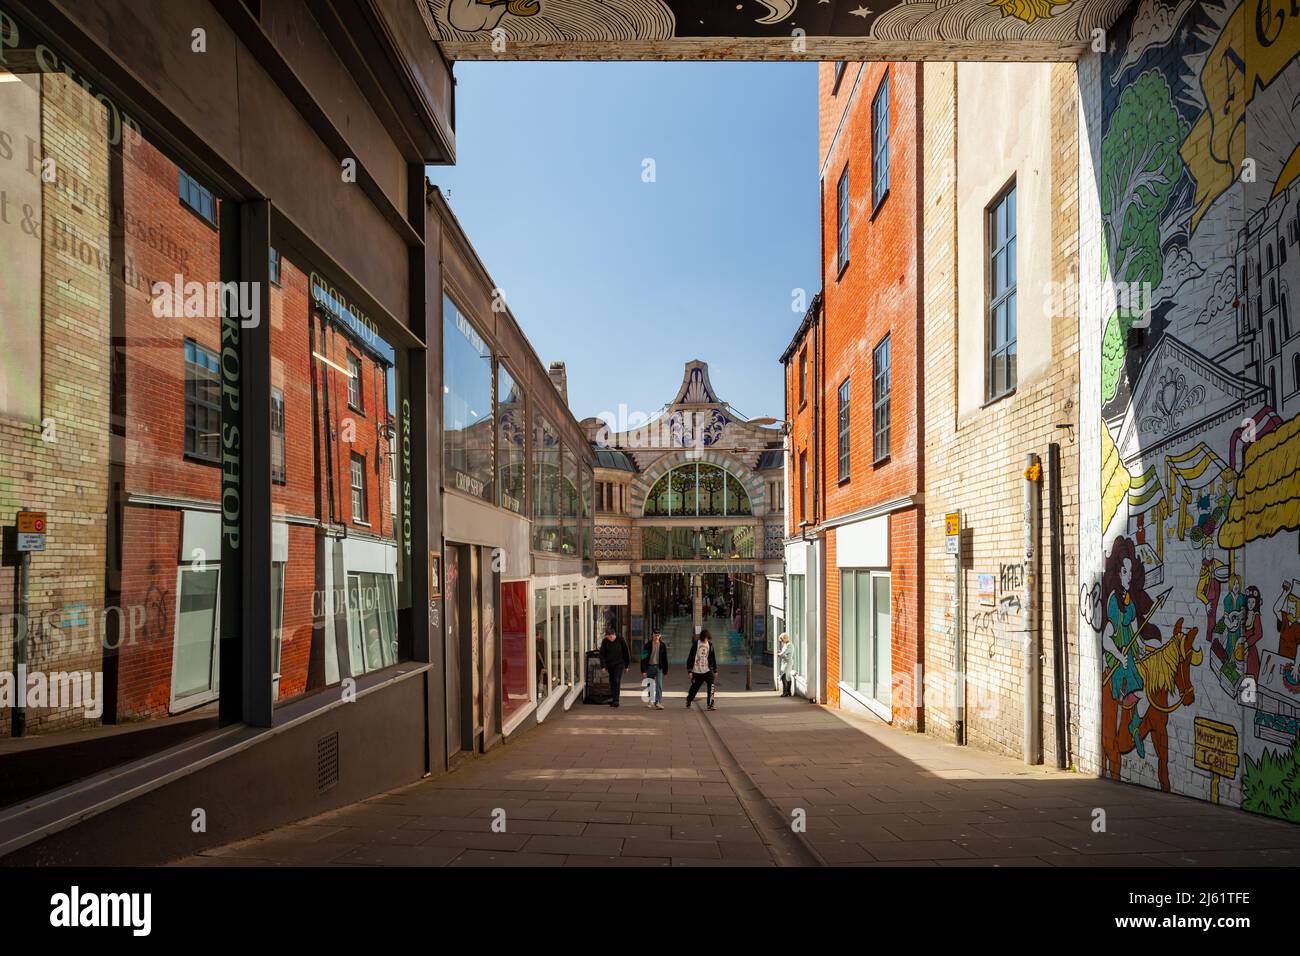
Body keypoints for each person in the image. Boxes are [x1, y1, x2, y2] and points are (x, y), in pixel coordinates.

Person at [685, 628, 718, 711]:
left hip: (707, 670)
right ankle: (689, 700)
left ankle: (710, 704)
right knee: (694, 689)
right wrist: (689, 671)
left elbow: (713, 658)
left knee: (711, 686)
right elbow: (690, 658)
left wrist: (715, 670)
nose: (705, 640)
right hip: (696, 671)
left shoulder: (710, 645)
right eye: (704, 638)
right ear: (702, 637)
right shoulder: (696, 644)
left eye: (707, 638)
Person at [599, 626, 631, 708]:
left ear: (614, 635)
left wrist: (626, 665)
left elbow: (626, 653)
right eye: (607, 636)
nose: (609, 638)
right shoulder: (605, 641)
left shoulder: (621, 640)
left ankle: (616, 701)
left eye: (610, 636)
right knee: (612, 681)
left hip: (619, 664)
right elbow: (602, 654)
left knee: (616, 680)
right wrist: (603, 666)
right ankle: (613, 699)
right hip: (610, 665)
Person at [640, 629, 669, 710]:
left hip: (659, 667)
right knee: (650, 684)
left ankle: (658, 702)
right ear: (652, 635)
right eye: (655, 635)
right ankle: (651, 700)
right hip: (650, 667)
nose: (657, 637)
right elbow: (643, 658)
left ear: (660, 636)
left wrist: (666, 670)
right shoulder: (648, 645)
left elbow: (665, 659)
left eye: (658, 635)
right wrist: (643, 670)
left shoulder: (662, 645)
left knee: (659, 685)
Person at [777, 632, 794, 697]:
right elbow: (783, 653)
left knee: (784, 676)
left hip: (787, 662)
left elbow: (784, 653)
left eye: (781, 640)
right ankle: (788, 691)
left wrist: (779, 654)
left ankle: (785, 692)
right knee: (787, 677)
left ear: (784, 639)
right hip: (784, 662)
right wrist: (781, 653)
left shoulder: (789, 645)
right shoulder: (785, 644)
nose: (781, 641)